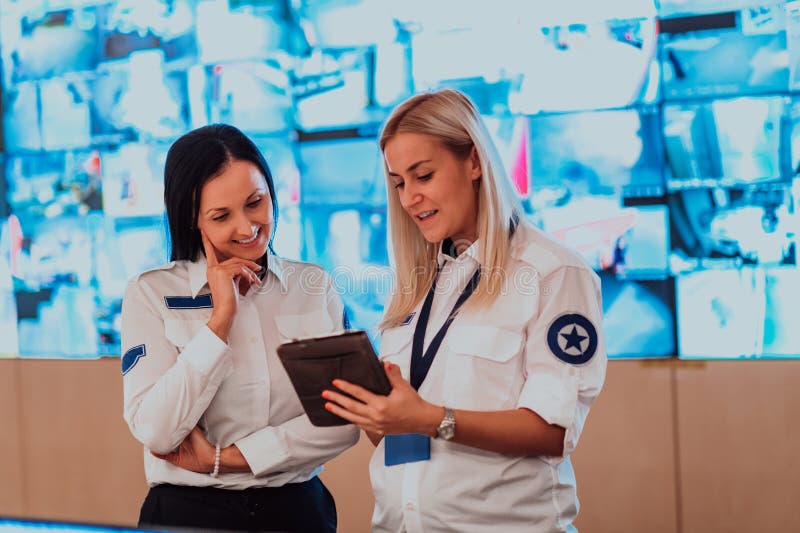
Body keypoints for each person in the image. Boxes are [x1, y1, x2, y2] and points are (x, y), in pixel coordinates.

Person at [322, 89, 607, 532]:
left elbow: (552, 430)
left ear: (474, 162)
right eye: (399, 183)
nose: (409, 198)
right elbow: (397, 435)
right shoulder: (416, 286)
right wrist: (376, 410)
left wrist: (430, 418)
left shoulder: (554, 273)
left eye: (423, 176)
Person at [121, 124, 359, 532]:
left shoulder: (312, 287)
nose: (247, 227)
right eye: (221, 215)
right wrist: (219, 323)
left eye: (255, 203)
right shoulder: (151, 293)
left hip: (297, 511)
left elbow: (345, 419)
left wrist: (228, 458)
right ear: (192, 218)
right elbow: (157, 432)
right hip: (188, 515)